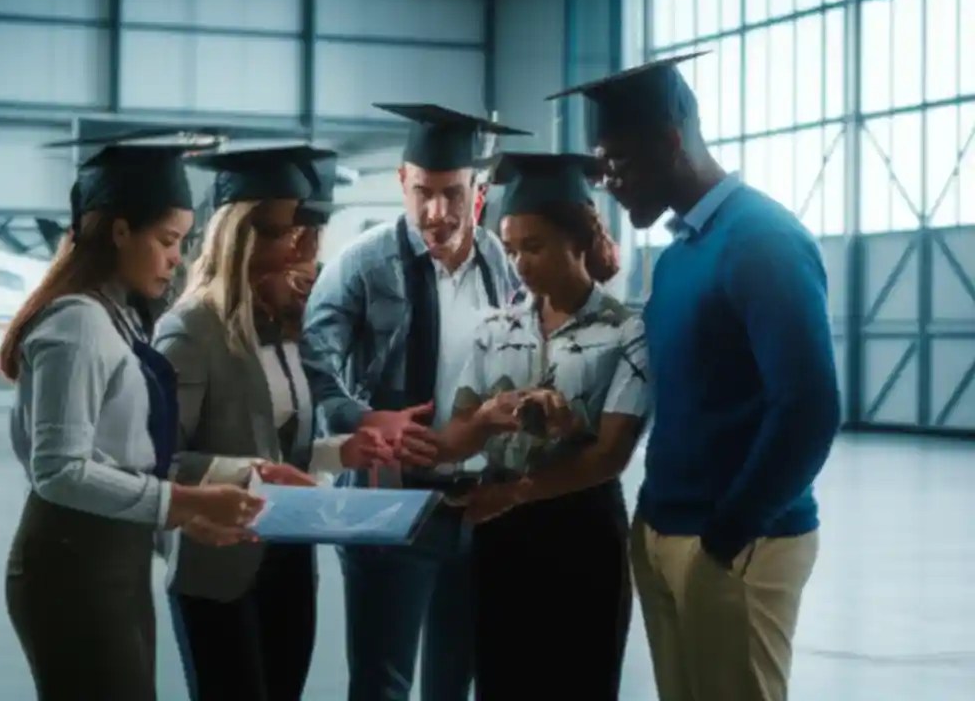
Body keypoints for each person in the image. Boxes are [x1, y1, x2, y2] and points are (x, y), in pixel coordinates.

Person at [546, 53, 842, 700]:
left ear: (671, 143)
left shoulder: (762, 241)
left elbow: (811, 407)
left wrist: (730, 533)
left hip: (738, 545)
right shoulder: (679, 260)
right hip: (665, 532)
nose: (610, 185)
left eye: (618, 163)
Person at [0, 139, 268, 701]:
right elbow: (60, 471)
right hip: (72, 564)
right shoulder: (76, 325)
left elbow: (118, 457)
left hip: (112, 558)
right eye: (167, 241)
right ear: (119, 232)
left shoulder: (116, 318)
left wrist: (179, 520)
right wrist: (186, 502)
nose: (178, 258)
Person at [153, 145, 396, 701]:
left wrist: (343, 452)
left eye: (304, 235)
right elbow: (158, 462)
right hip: (218, 563)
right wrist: (248, 471)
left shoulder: (286, 329)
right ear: (239, 236)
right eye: (285, 235)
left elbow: (284, 450)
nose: (300, 252)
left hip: (288, 557)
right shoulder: (190, 331)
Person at [301, 103, 527, 701]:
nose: (437, 212)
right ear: (402, 180)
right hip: (388, 503)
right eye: (423, 191)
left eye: (453, 193)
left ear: (476, 188)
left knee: (455, 680)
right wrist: (357, 417)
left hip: (471, 504)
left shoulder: (499, 264)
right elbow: (313, 360)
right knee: (382, 682)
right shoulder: (362, 265)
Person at [428, 153, 649, 700]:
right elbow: (452, 442)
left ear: (577, 240)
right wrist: (484, 417)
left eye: (534, 246)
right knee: (502, 681)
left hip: (583, 530)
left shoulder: (627, 332)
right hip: (502, 534)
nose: (520, 264)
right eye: (510, 249)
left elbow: (610, 454)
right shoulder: (494, 329)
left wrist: (524, 484)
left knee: (582, 680)